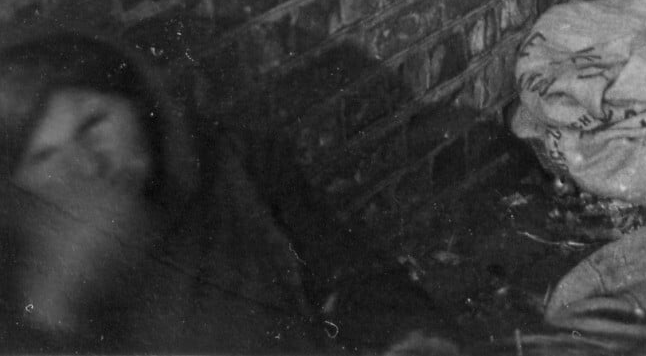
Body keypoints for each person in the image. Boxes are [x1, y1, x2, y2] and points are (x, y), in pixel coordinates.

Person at [1, 29, 453, 353]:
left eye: (94, 122)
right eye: (45, 157)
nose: (87, 166)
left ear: (136, 105)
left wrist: (408, 335)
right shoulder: (20, 282)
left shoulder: (234, 163)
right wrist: (54, 308)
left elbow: (349, 271)